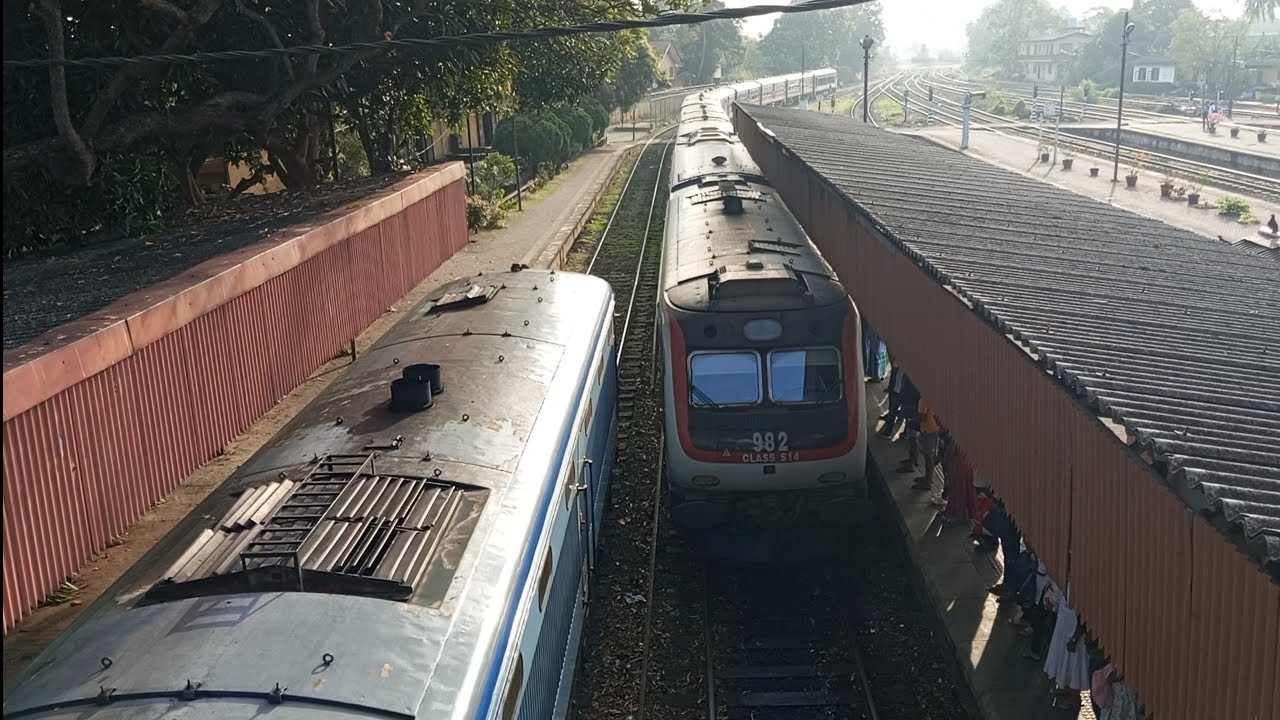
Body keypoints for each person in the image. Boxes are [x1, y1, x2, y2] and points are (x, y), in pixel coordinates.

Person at [1043, 583, 1090, 711]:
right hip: (1063, 628)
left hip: (1072, 631)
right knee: (1065, 661)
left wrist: (1075, 637)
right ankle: (1067, 689)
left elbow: (1083, 618)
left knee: (1075, 664)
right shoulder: (1063, 582)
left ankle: (1074, 698)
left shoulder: (1081, 589)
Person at [910, 397, 941, 492]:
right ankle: (927, 477)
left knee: (928, 457)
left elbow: (922, 418)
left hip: (927, 430)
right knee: (929, 456)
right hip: (934, 428)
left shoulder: (924, 400)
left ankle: (927, 482)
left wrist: (911, 417)